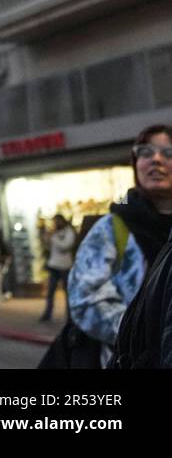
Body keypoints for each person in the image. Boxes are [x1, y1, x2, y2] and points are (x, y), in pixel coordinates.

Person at [68, 124, 172, 366]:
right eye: (146, 152)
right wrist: (142, 336)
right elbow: (85, 300)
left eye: (168, 153)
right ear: (135, 165)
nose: (156, 160)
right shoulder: (111, 228)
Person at [40, 214, 76, 323]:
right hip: (54, 266)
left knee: (68, 292)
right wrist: (46, 238)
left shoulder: (69, 232)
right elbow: (48, 247)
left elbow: (65, 246)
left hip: (65, 266)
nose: (55, 224)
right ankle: (47, 314)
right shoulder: (55, 233)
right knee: (50, 292)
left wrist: (53, 238)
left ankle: (70, 316)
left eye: (56, 221)